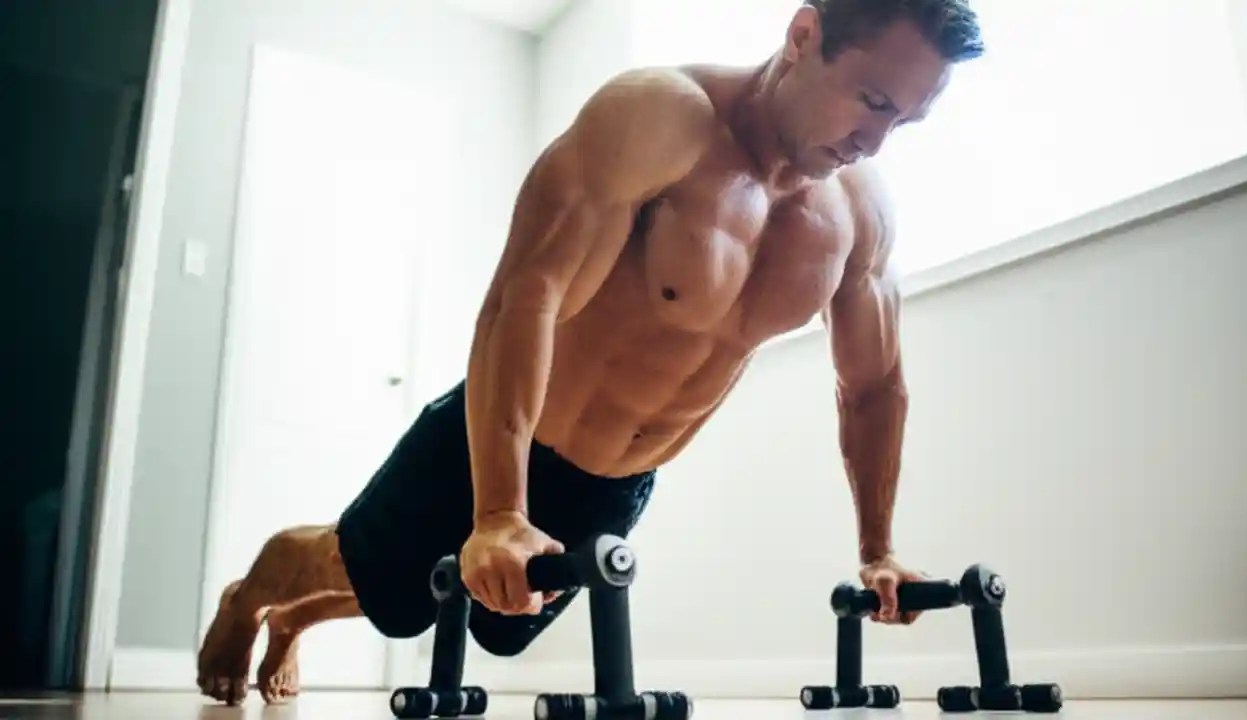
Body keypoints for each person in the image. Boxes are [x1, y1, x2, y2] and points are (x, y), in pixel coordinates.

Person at [196, 0, 984, 705]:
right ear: (804, 35)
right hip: (505, 435)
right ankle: (252, 597)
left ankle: (302, 618)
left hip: (613, 489)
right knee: (375, 574)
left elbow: (873, 384)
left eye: (904, 122)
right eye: (872, 101)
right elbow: (524, 296)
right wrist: (500, 509)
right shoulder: (658, 119)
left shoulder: (858, 212)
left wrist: (878, 551)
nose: (875, 140)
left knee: (484, 615)